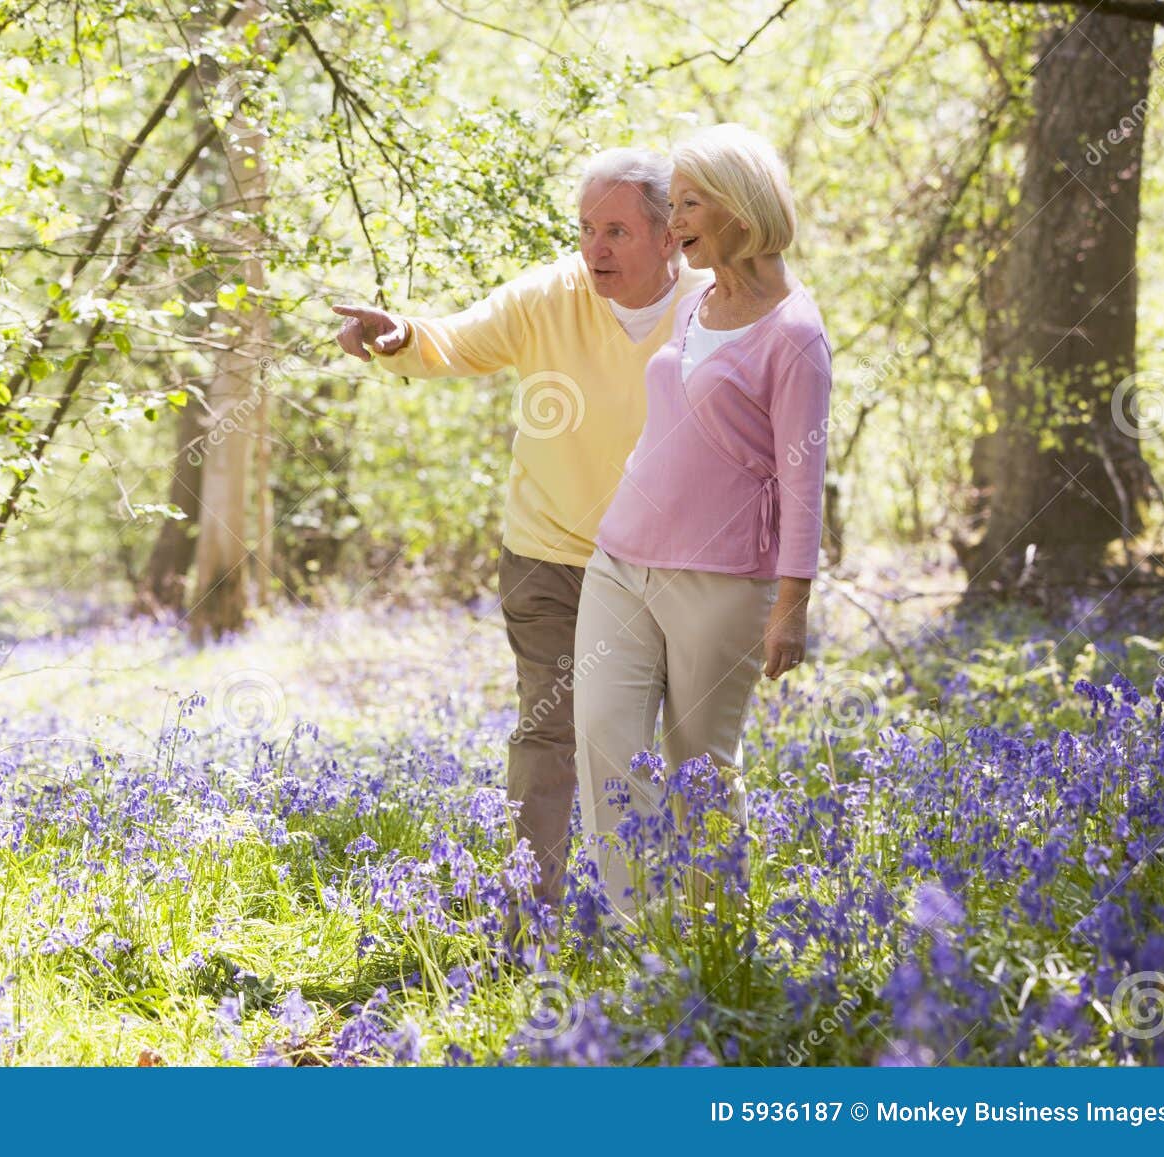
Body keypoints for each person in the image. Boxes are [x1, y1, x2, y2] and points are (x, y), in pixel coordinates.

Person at [333, 149, 711, 942]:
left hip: (670, 562)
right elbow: (458, 340)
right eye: (585, 229)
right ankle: (528, 922)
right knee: (550, 730)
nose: (595, 249)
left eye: (615, 230)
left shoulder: (712, 306)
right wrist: (401, 336)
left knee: (667, 736)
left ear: (669, 235)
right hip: (552, 554)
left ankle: (666, 924)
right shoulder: (550, 296)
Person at [572, 124, 833, 929]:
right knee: (605, 743)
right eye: (673, 203)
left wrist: (791, 603)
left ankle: (717, 949)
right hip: (619, 562)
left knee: (700, 772)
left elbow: (802, 480)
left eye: (689, 203)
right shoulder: (699, 299)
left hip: (721, 582)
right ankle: (638, 941)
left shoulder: (795, 335)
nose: (674, 219)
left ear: (740, 206)